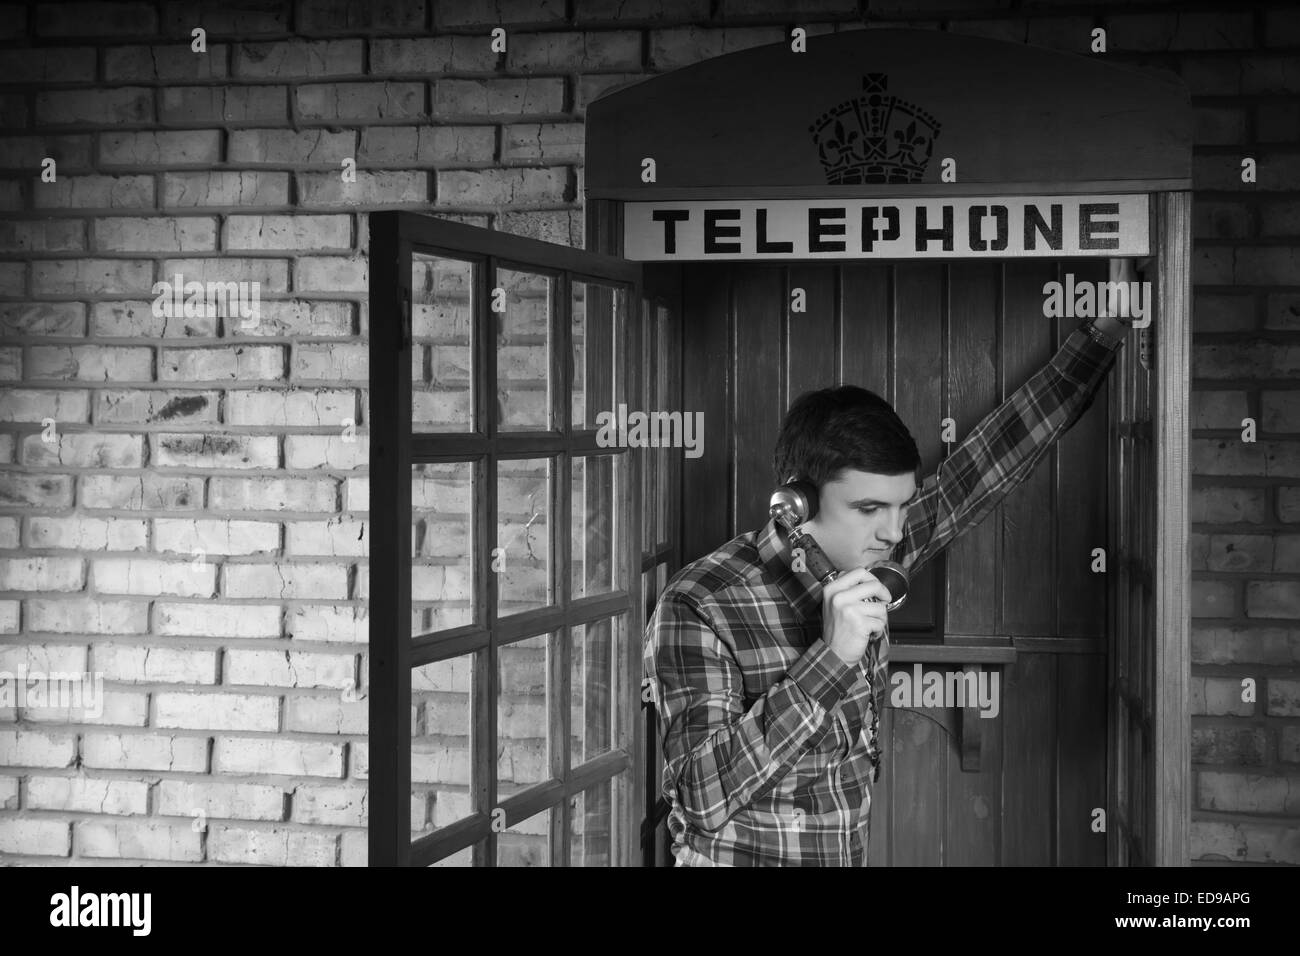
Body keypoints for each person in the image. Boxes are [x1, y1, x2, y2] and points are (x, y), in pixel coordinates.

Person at [643, 300, 1134, 867]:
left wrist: (1104, 333)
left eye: (901, 505)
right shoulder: (699, 603)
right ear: (796, 502)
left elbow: (985, 467)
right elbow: (700, 797)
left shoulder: (875, 544)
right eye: (871, 507)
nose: (894, 530)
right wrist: (829, 660)